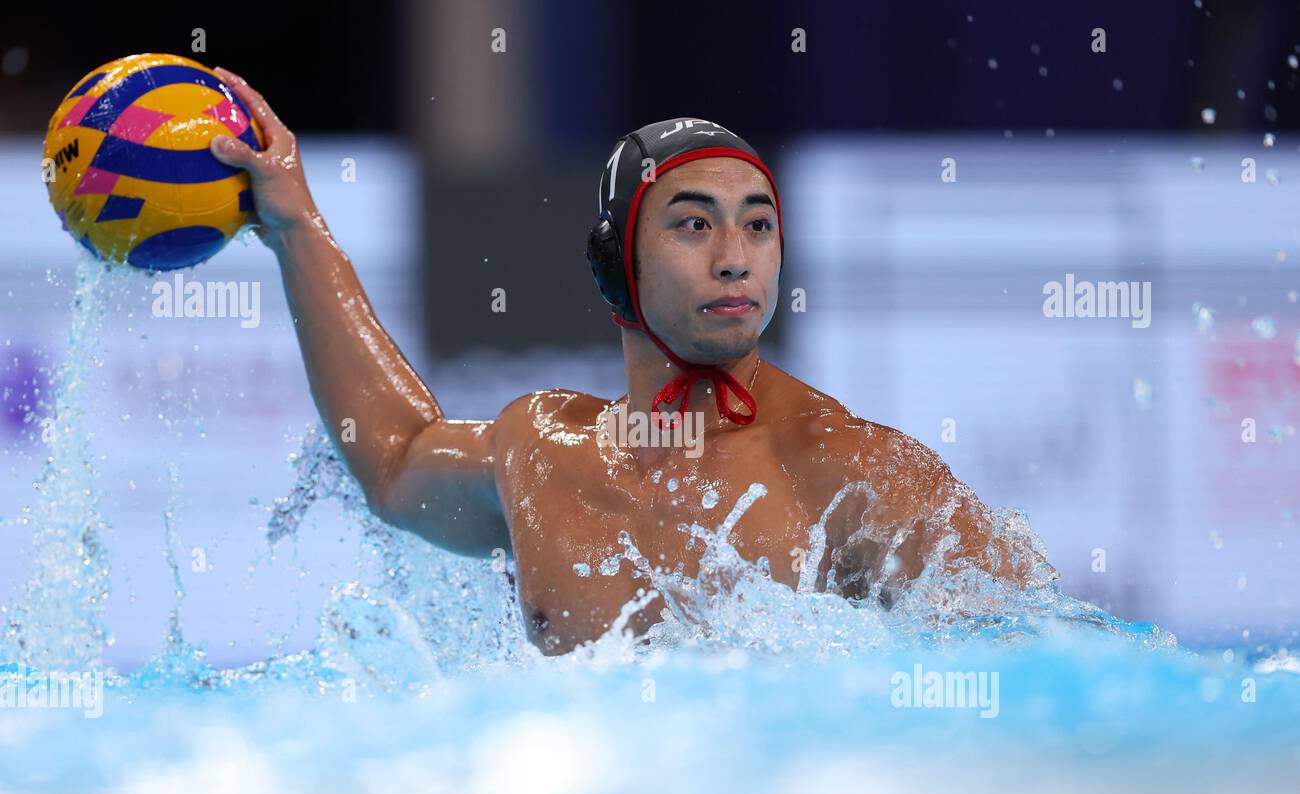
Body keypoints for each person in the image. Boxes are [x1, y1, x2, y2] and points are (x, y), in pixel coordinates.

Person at [209, 70, 1054, 655]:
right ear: (616, 262)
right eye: (694, 224)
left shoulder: (850, 469)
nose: (736, 258)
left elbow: (1043, 651)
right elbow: (393, 459)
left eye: (758, 225)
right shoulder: (541, 451)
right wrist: (295, 226)